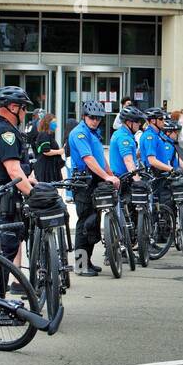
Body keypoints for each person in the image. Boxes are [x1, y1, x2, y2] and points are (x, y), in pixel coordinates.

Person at [0, 86, 39, 272]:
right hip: (4, 201)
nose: (25, 112)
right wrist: (33, 194)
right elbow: (13, 170)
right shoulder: (7, 133)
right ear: (13, 107)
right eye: (23, 107)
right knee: (5, 252)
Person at [67, 100, 119, 276]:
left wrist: (110, 174)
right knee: (84, 223)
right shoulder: (79, 133)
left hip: (95, 179)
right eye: (91, 117)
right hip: (83, 182)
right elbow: (88, 159)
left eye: (98, 118)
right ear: (84, 116)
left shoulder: (94, 133)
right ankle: (81, 265)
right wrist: (106, 177)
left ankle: (87, 261)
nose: (95, 121)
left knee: (93, 222)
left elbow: (99, 158)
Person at [32, 112, 66, 183]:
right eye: (53, 122)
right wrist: (60, 151)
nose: (55, 124)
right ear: (48, 123)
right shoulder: (44, 135)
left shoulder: (48, 135)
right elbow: (46, 151)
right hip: (45, 169)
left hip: (49, 168)